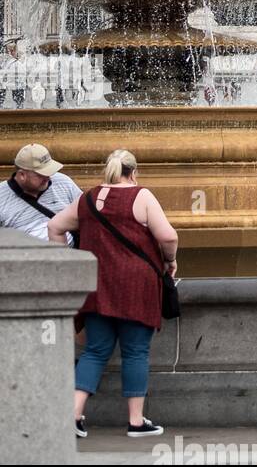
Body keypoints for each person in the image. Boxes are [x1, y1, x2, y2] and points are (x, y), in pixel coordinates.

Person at [47, 149, 179, 441]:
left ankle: (74, 416)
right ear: (133, 172)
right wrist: (170, 260)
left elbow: (54, 226)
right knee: (135, 351)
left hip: (97, 284)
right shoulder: (141, 196)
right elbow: (168, 236)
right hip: (136, 287)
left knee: (95, 350)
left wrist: (66, 263)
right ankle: (135, 421)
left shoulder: (89, 198)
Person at [0, 142, 80, 240]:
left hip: (73, 252)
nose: (47, 177)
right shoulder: (2, 197)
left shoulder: (63, 182)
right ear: (22, 175)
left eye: (49, 171)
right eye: (41, 174)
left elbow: (87, 212)